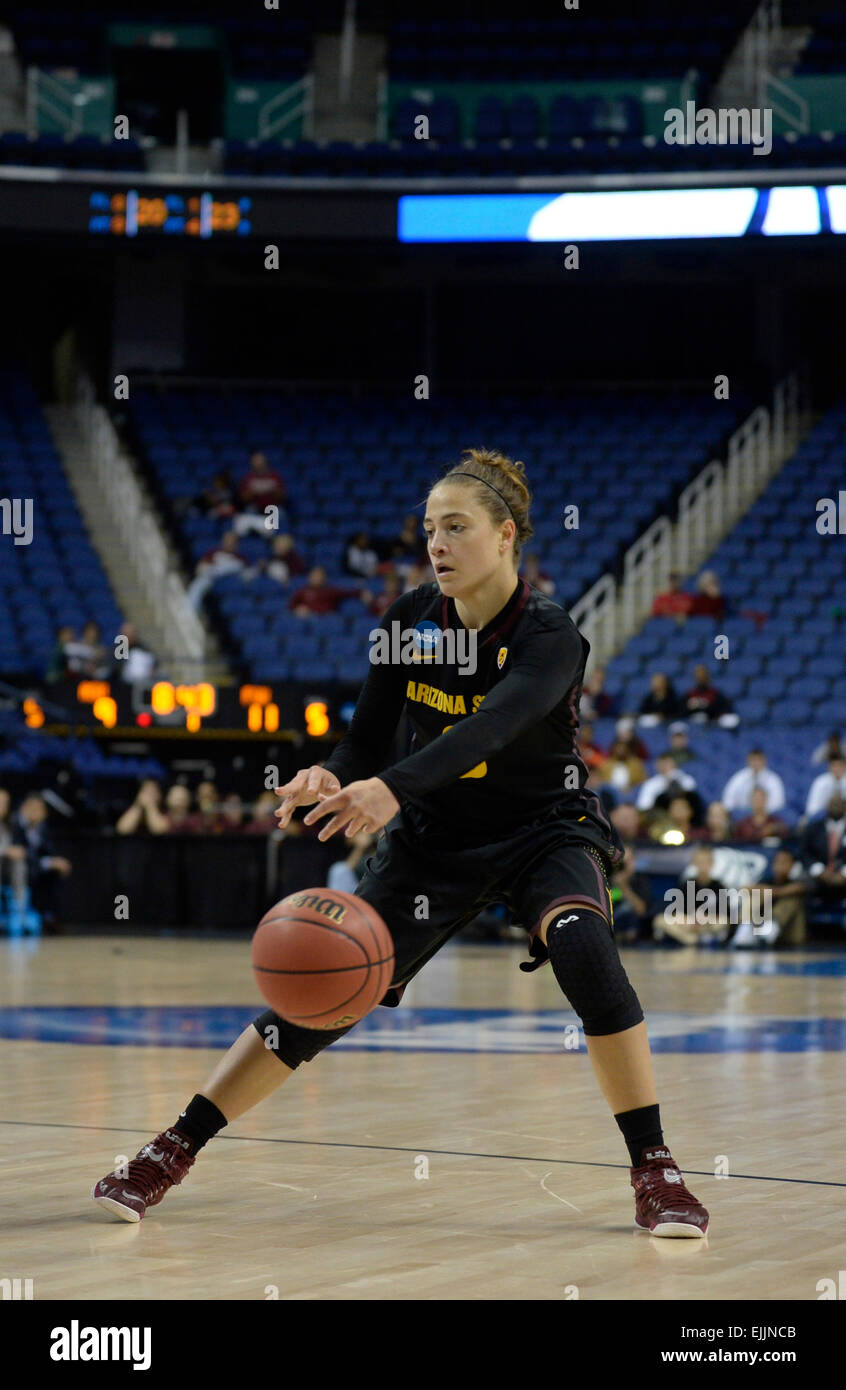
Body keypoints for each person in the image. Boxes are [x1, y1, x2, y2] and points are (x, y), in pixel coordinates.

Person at [93, 444, 709, 1236]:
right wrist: (329, 773)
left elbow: (491, 728)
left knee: (586, 951)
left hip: (542, 830)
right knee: (317, 989)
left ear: (507, 536)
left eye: (456, 527)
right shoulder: (409, 621)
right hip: (431, 840)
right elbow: (365, 741)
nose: (437, 545)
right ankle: (170, 1149)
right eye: (429, 530)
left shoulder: (551, 634)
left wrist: (391, 786)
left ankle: (655, 1169)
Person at [11, 794, 72, 932]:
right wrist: (50, 862)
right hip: (20, 867)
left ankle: (50, 918)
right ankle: (32, 916)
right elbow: (21, 852)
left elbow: (48, 850)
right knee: (42, 871)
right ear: (24, 808)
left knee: (55, 874)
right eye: (35, 808)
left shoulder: (41, 827)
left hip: (37, 867)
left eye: (41, 809)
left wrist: (56, 861)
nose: (39, 813)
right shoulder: (14, 824)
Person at [653, 845, 729, 947]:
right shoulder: (687, 885)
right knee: (659, 920)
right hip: (687, 924)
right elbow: (676, 912)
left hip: (707, 925)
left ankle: (695, 938)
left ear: (712, 864)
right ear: (694, 864)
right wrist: (689, 921)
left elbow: (724, 914)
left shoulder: (719, 887)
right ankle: (693, 940)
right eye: (700, 862)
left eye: (706, 862)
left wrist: (704, 919)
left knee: (722, 922)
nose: (703, 866)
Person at [733, 848, 807, 949]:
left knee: (791, 899)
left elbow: (798, 888)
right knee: (755, 896)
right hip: (760, 930)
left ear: (792, 865)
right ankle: (745, 929)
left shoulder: (800, 880)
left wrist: (771, 892)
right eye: (777, 862)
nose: (780, 866)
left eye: (784, 862)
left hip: (790, 933)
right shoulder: (767, 880)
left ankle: (772, 927)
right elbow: (744, 888)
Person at [802, 792, 846, 902]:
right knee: (802, 884)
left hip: (843, 875)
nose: (835, 806)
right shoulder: (814, 828)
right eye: (832, 803)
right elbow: (805, 852)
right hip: (818, 876)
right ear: (826, 806)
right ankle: (805, 919)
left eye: (839, 803)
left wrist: (843, 873)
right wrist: (819, 871)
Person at [233, 450, 289, 536]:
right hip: (254, 511)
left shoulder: (274, 477)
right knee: (240, 521)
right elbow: (242, 498)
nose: (258, 464)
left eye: (260, 461)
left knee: (280, 515)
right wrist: (254, 492)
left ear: (265, 462)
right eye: (255, 461)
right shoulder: (248, 478)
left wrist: (270, 491)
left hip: (272, 510)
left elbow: (283, 497)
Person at [187, 531, 247, 610]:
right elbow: (200, 567)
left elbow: (244, 573)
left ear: (236, 544)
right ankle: (190, 610)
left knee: (235, 565)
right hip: (210, 579)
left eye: (232, 541)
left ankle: (215, 571)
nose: (229, 543)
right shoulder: (215, 552)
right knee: (200, 582)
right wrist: (205, 569)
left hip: (229, 581)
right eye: (227, 540)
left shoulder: (240, 558)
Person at [721, 749, 786, 817]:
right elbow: (728, 800)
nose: (756, 763)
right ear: (748, 761)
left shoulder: (774, 780)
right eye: (753, 760)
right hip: (743, 818)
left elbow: (779, 803)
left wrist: (760, 812)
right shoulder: (739, 778)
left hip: (767, 817)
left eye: (759, 760)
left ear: (765, 761)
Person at [288, 566, 370, 617]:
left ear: (323, 578)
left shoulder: (330, 591)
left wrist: (361, 593)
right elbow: (291, 606)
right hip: (309, 619)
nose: (315, 578)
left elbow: (347, 593)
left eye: (318, 575)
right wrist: (297, 609)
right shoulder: (303, 591)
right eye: (313, 575)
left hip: (327, 619)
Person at [610, 847, 651, 944]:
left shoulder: (640, 881)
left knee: (627, 907)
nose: (622, 867)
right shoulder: (605, 879)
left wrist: (623, 887)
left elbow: (641, 909)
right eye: (620, 863)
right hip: (608, 922)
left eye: (626, 863)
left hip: (630, 926)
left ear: (633, 863)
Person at [327, 830, 375, 894]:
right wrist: (360, 847)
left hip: (376, 883)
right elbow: (349, 867)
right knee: (339, 869)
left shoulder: (382, 837)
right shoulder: (348, 846)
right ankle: (341, 902)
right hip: (358, 885)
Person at [113, 622, 156, 686]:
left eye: (131, 633)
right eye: (127, 634)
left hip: (143, 681)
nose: (129, 636)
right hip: (122, 683)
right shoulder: (118, 648)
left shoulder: (142, 647)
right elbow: (115, 666)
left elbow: (153, 660)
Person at [805, 755, 846, 821]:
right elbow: (812, 809)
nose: (837, 769)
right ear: (829, 768)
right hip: (824, 819)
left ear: (844, 768)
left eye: (840, 766)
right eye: (834, 766)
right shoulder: (821, 782)